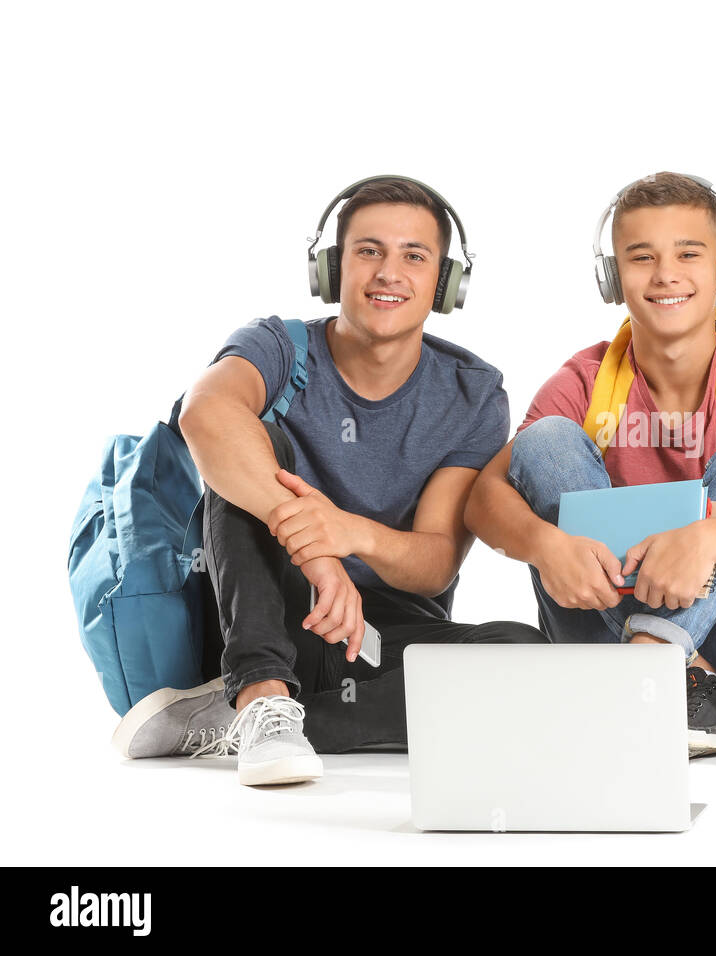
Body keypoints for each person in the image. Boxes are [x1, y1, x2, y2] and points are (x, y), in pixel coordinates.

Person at [112, 176, 546, 786]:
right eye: (368, 251)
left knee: (525, 654)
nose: (388, 272)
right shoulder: (278, 346)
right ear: (332, 269)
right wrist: (316, 554)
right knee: (253, 440)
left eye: (414, 256)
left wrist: (349, 534)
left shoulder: (471, 393)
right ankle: (262, 692)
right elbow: (204, 416)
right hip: (264, 612)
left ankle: (254, 717)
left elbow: (434, 564)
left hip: (375, 638)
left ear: (445, 284)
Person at [464, 172, 716, 755]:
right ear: (613, 278)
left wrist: (708, 541)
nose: (666, 274)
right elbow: (484, 499)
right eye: (641, 258)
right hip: (597, 645)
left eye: (689, 253)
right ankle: (656, 670)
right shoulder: (584, 381)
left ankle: (651, 661)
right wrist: (544, 545)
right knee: (546, 442)